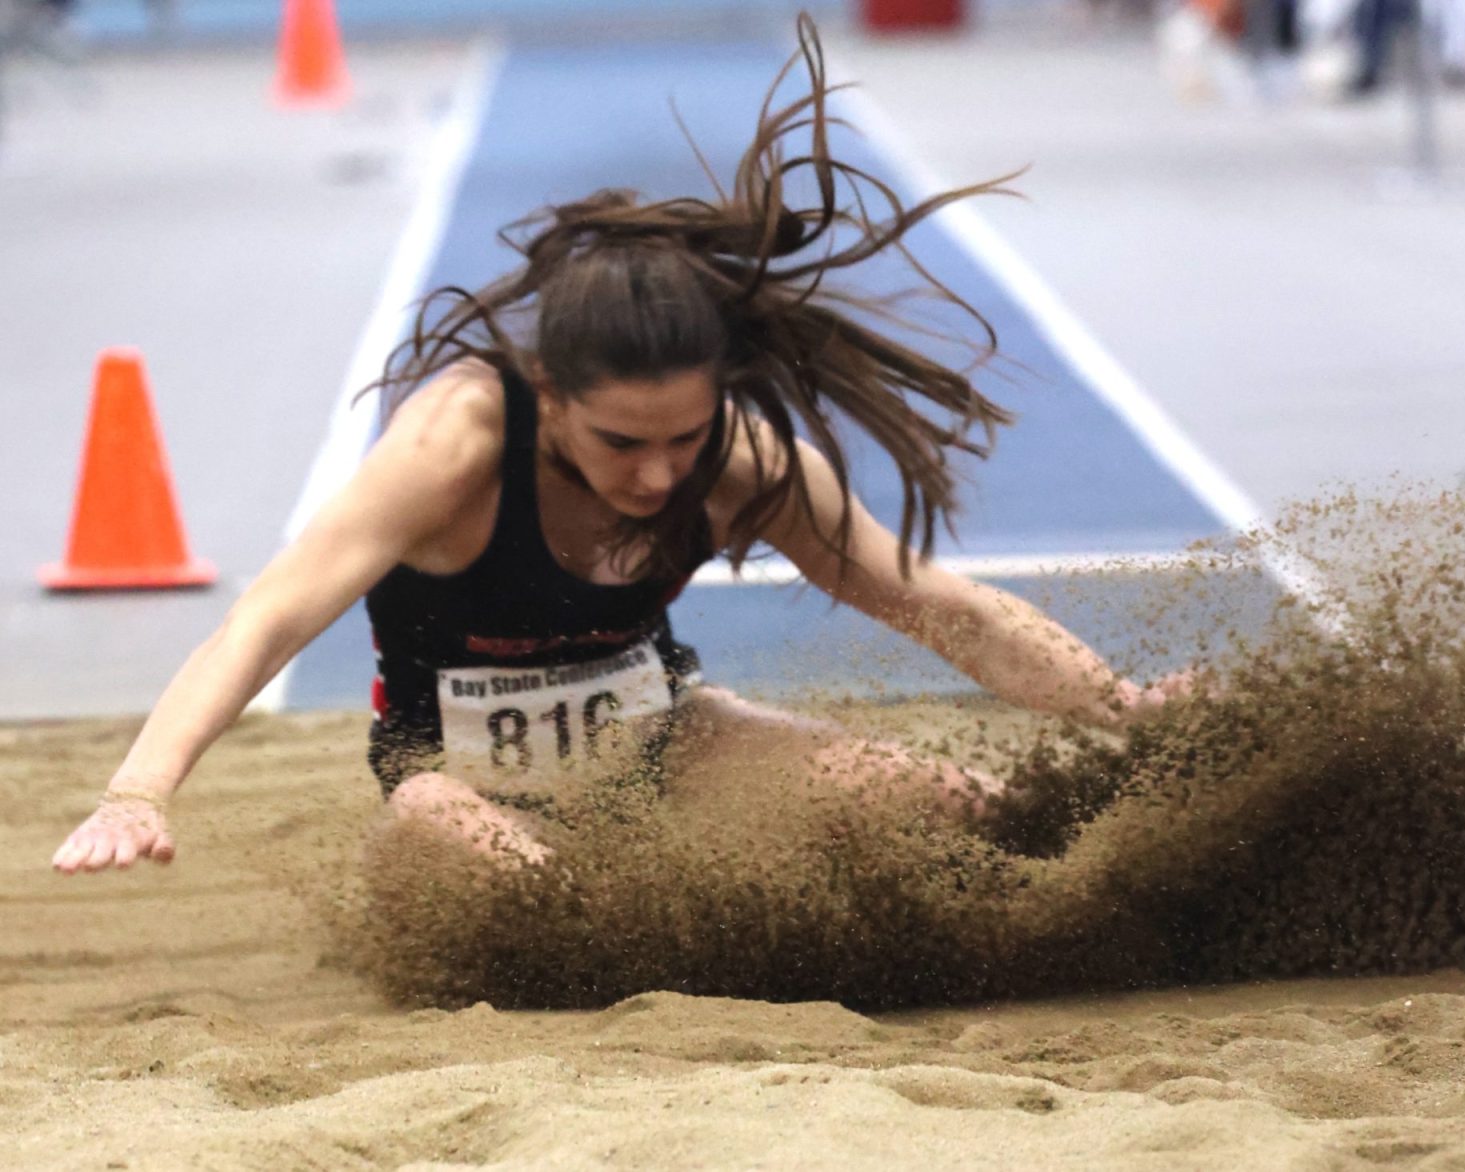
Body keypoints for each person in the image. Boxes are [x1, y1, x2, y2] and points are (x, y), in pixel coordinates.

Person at [52, 17, 1186, 878]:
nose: (656, 474)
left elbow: (941, 604)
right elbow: (269, 616)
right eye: (621, 442)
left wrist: (1120, 707)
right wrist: (140, 789)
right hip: (448, 784)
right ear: (548, 393)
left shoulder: (739, 459)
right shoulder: (452, 449)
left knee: (956, 807)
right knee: (494, 868)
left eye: (680, 439)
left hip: (669, 740)